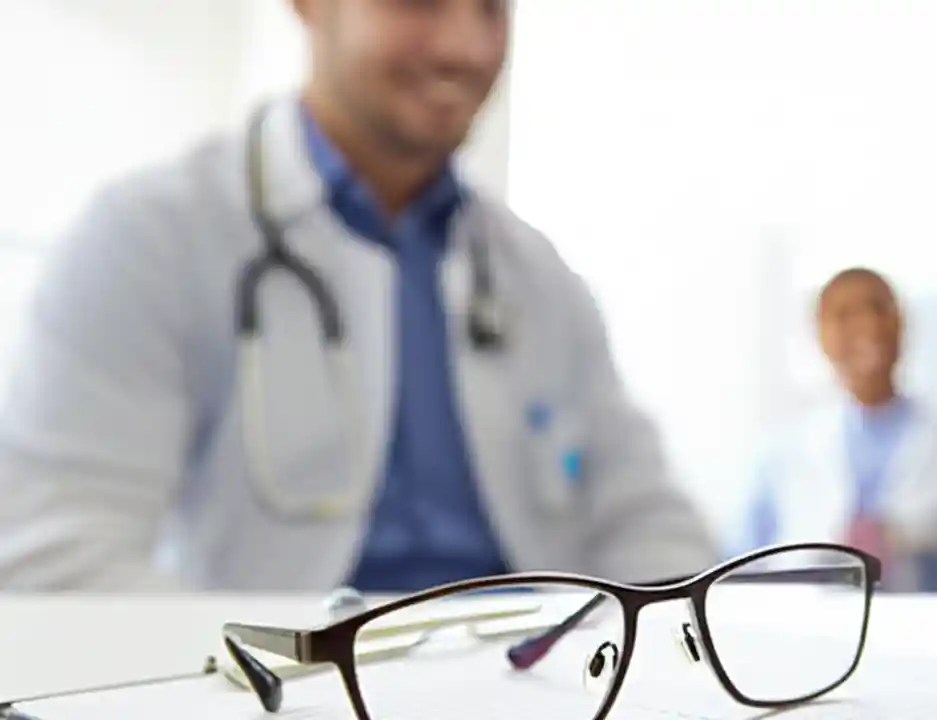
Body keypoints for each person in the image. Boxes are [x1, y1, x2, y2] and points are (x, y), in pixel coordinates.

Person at [0, 0, 715, 592]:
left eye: (493, 11)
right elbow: (58, 555)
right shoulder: (149, 238)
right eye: (421, 3)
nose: (465, 48)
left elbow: (650, 526)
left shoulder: (539, 277)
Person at [738, 268, 937, 592]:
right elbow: (742, 567)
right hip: (810, 629)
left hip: (933, 629)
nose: (868, 326)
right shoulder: (783, 456)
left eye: (879, 309)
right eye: (844, 315)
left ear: (903, 324)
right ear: (820, 336)